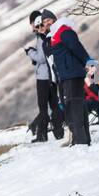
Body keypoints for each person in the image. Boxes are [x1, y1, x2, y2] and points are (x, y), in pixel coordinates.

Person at [38, 10, 99, 146]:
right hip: (66, 75)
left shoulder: (64, 31)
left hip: (72, 73)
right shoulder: (54, 34)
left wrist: (90, 65)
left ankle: (80, 140)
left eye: (48, 20)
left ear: (55, 19)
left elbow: (78, 49)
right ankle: (82, 138)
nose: (46, 23)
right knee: (76, 105)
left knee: (74, 106)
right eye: (44, 22)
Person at [24, 11, 63, 142]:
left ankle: (42, 135)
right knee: (54, 105)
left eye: (31, 24)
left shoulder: (40, 38)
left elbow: (41, 58)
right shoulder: (47, 34)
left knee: (43, 106)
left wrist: (30, 52)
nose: (31, 27)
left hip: (43, 77)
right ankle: (59, 132)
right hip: (52, 75)